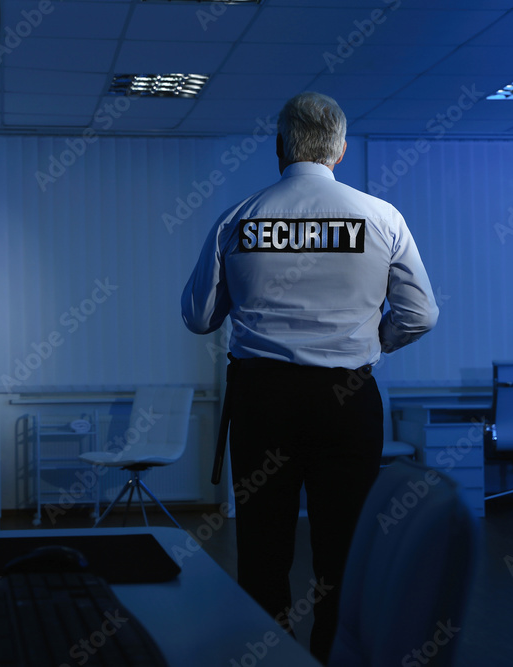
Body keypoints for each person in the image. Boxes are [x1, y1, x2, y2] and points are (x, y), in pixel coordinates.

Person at [180, 92, 438, 662]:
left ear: (279, 147)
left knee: (262, 548)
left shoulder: (239, 218)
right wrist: (373, 342)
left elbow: (199, 318)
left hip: (262, 401)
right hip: (346, 399)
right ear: (340, 151)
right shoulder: (382, 218)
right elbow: (420, 314)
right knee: (343, 549)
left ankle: (268, 655)